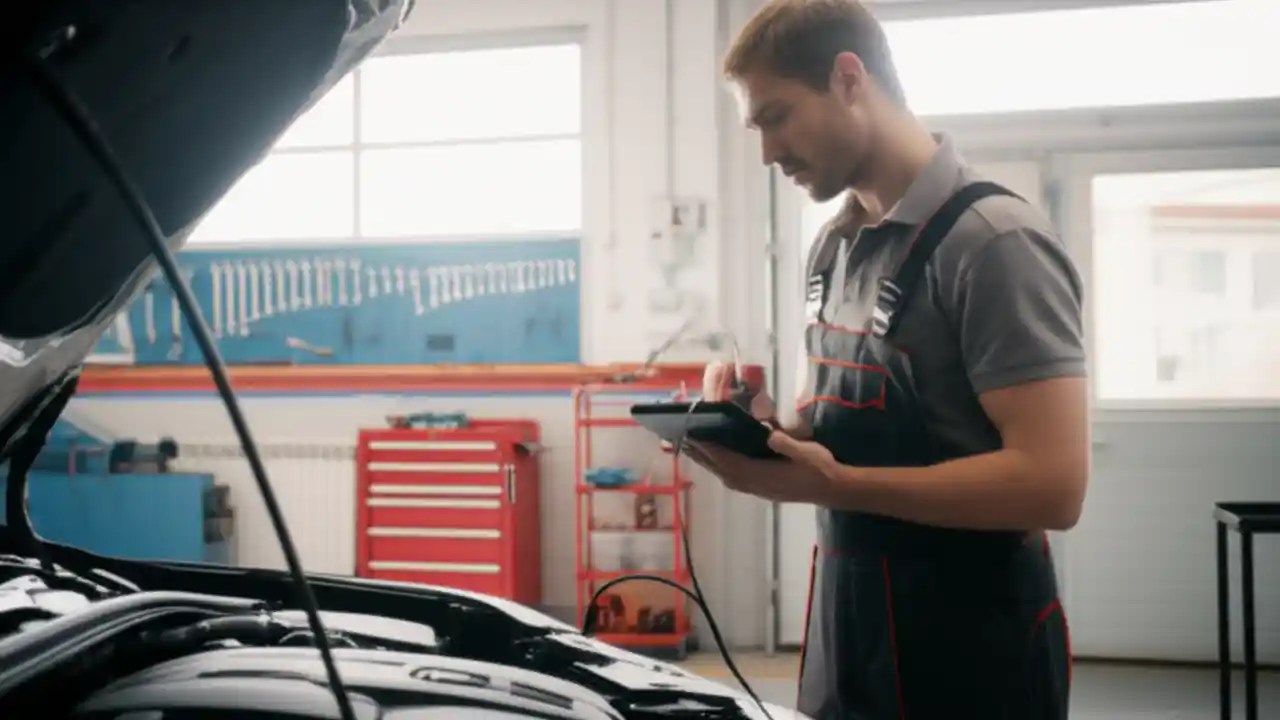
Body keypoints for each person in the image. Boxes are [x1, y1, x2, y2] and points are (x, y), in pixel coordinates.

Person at [686, 1, 1088, 718]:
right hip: (851, 632)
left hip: (974, 651)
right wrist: (762, 431)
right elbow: (832, 429)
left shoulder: (994, 243)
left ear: (848, 79)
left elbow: (1054, 486)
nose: (768, 153)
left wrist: (838, 485)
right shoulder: (833, 250)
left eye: (776, 116)